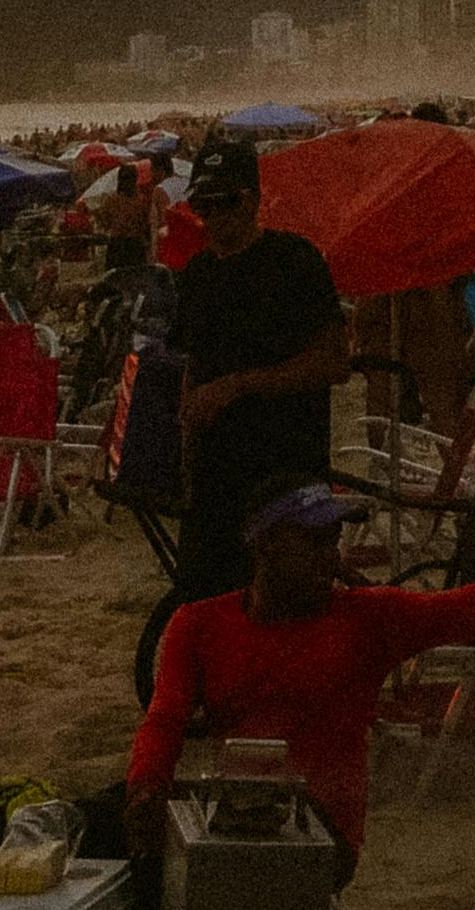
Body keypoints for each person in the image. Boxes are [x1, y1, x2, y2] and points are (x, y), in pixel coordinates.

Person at [126, 483, 475, 884]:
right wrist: (147, 788)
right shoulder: (200, 624)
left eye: (333, 541)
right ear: (263, 546)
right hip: (236, 812)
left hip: (321, 828)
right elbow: (166, 720)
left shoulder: (366, 620)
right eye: (312, 542)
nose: (329, 557)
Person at [168, 137, 347, 604]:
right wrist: (185, 449)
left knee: (284, 604)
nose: (212, 215)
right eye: (201, 205)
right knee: (205, 599)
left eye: (222, 202)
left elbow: (333, 362)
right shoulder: (198, 275)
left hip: (285, 467)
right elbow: (194, 365)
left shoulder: (295, 262)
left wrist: (240, 386)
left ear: (250, 199)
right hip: (215, 474)